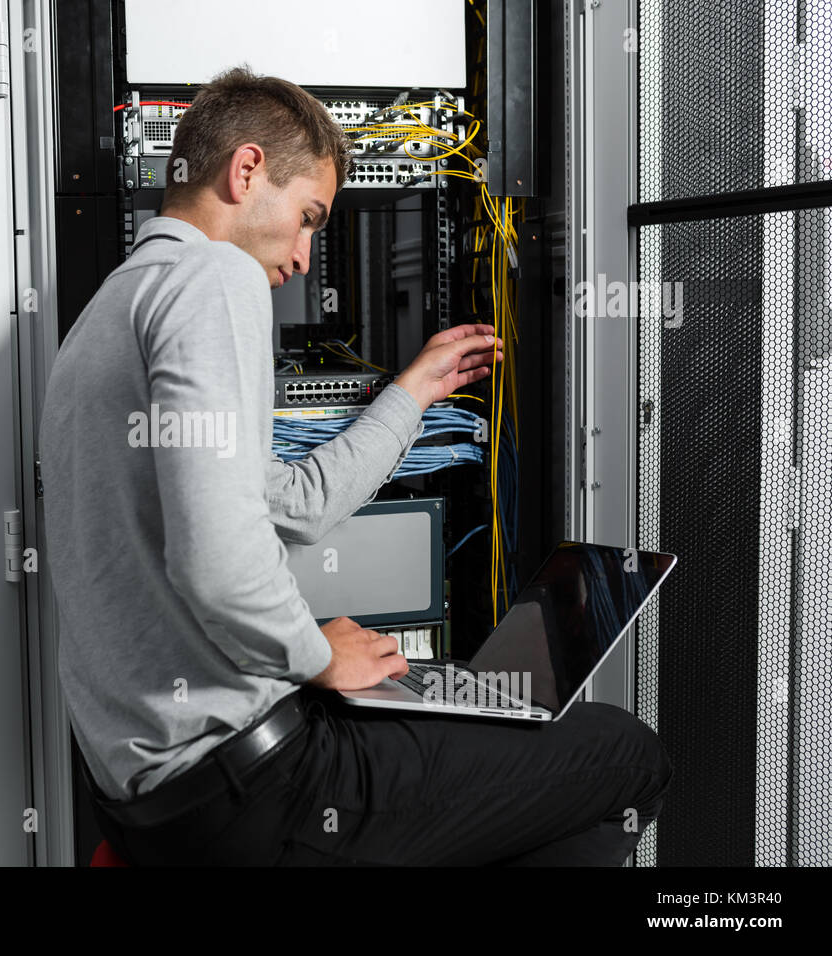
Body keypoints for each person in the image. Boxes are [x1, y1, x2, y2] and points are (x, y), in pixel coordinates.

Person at [40, 66, 672, 865]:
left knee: (484, 725)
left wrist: (410, 394)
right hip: (258, 787)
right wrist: (314, 654)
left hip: (152, 804)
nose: (306, 257)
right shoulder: (212, 276)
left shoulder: (107, 310)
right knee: (626, 758)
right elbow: (215, 563)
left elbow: (291, 504)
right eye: (308, 218)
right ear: (245, 171)